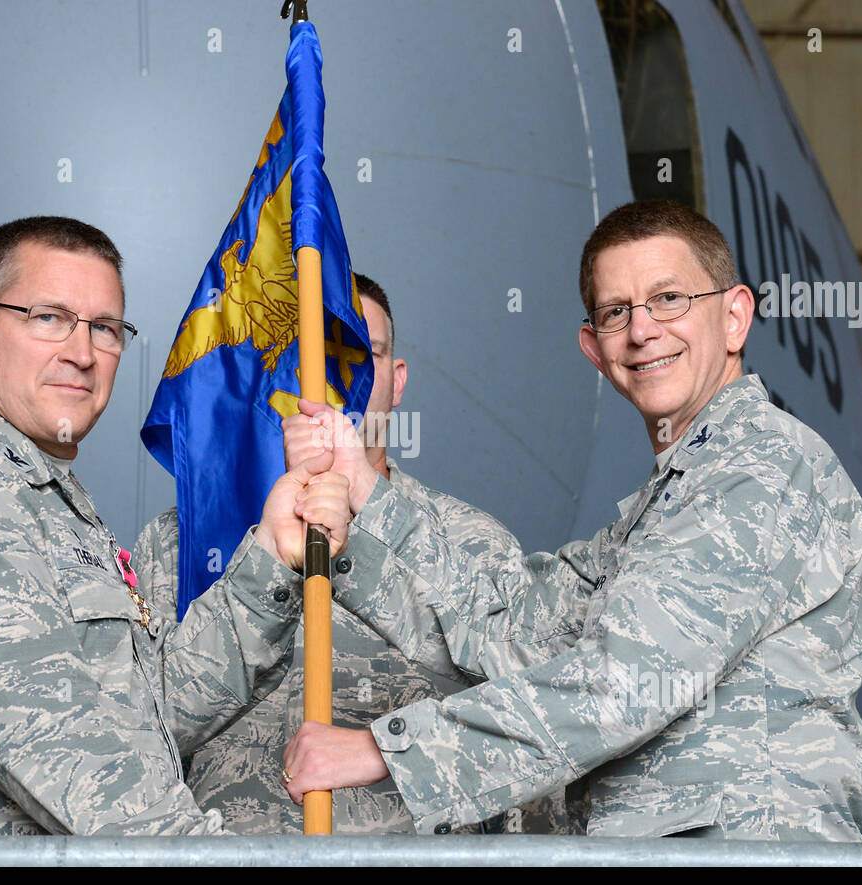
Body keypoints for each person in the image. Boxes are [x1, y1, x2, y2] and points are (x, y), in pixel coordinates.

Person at [280, 200, 862, 840]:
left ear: (734, 319)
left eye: (669, 298)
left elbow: (623, 683)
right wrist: (365, 489)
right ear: (593, 346)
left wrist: (386, 750)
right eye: (617, 312)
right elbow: (510, 630)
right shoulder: (655, 513)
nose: (643, 331)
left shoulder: (763, 466)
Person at [0, 216, 350, 836]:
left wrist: (273, 553)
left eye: (104, 329)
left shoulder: (41, 494)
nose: (81, 354)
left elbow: (151, 710)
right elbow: (59, 748)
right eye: (47, 317)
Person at [133, 274, 580, 833]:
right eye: (310, 355)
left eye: (357, 354)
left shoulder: (472, 540)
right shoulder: (183, 543)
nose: (332, 380)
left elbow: (543, 730)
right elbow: (130, 739)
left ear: (396, 380)